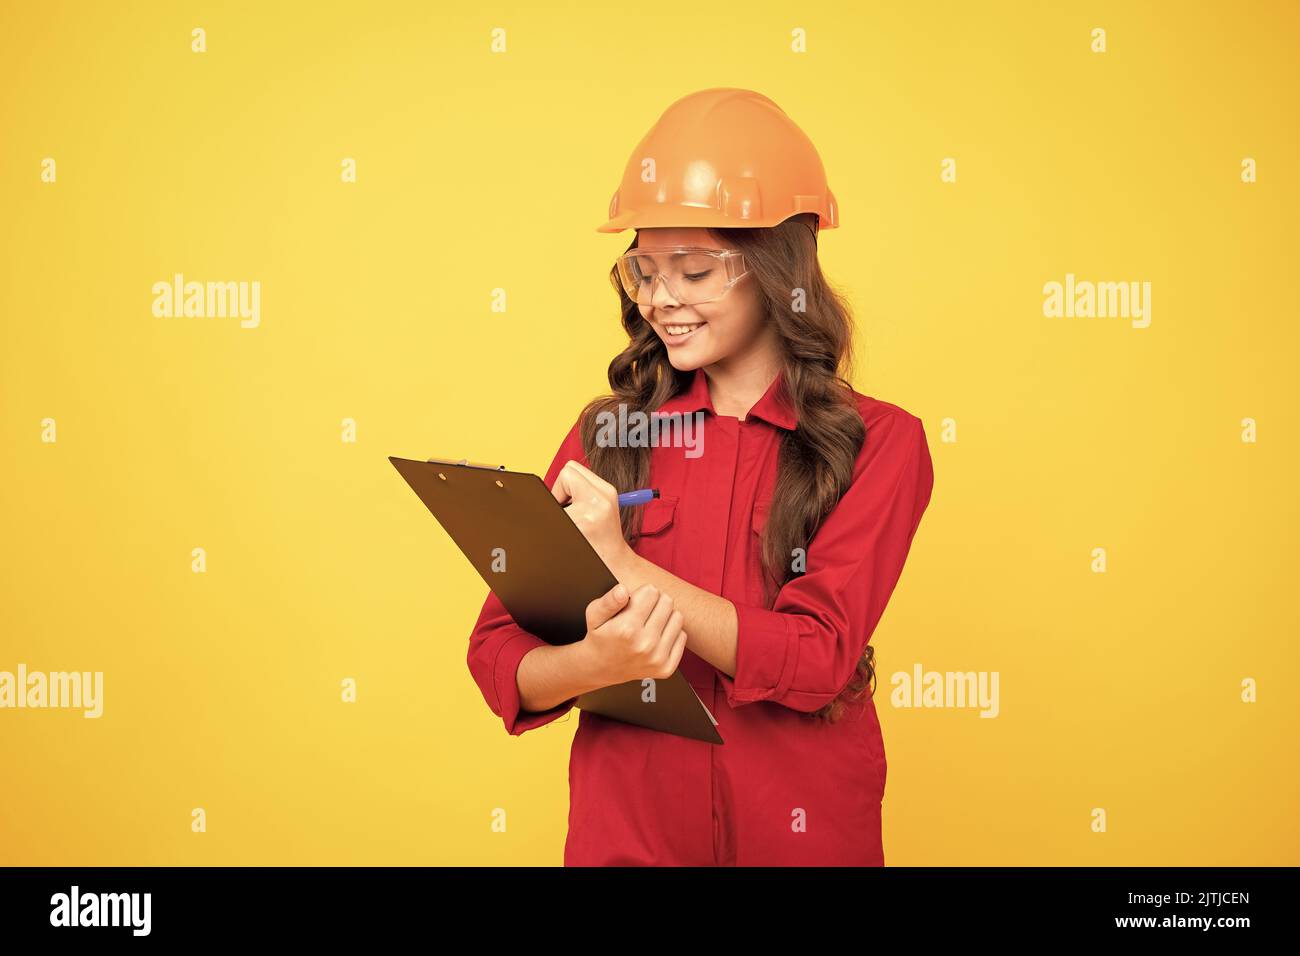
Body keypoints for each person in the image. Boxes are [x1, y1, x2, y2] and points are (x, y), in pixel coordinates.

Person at [466, 87, 935, 866]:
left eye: (692, 271)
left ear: (776, 269)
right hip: (629, 842)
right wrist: (598, 664)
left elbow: (818, 656)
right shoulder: (608, 436)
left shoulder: (880, 443)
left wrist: (624, 566)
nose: (660, 301)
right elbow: (497, 654)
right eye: (644, 272)